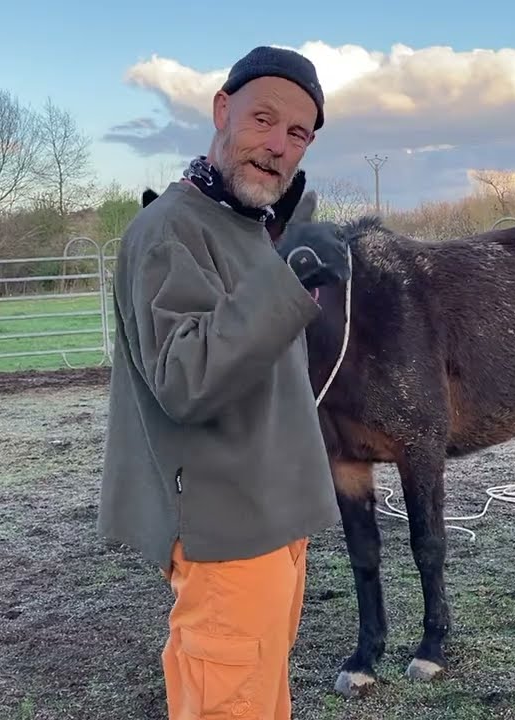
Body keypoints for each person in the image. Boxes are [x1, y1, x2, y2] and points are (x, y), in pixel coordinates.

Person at [98, 45, 351, 719]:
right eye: (263, 119)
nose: (277, 145)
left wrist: (281, 255)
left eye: (297, 133)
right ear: (221, 110)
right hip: (227, 532)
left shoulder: (247, 229)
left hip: (274, 526)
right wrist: (285, 276)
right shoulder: (168, 231)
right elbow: (185, 378)